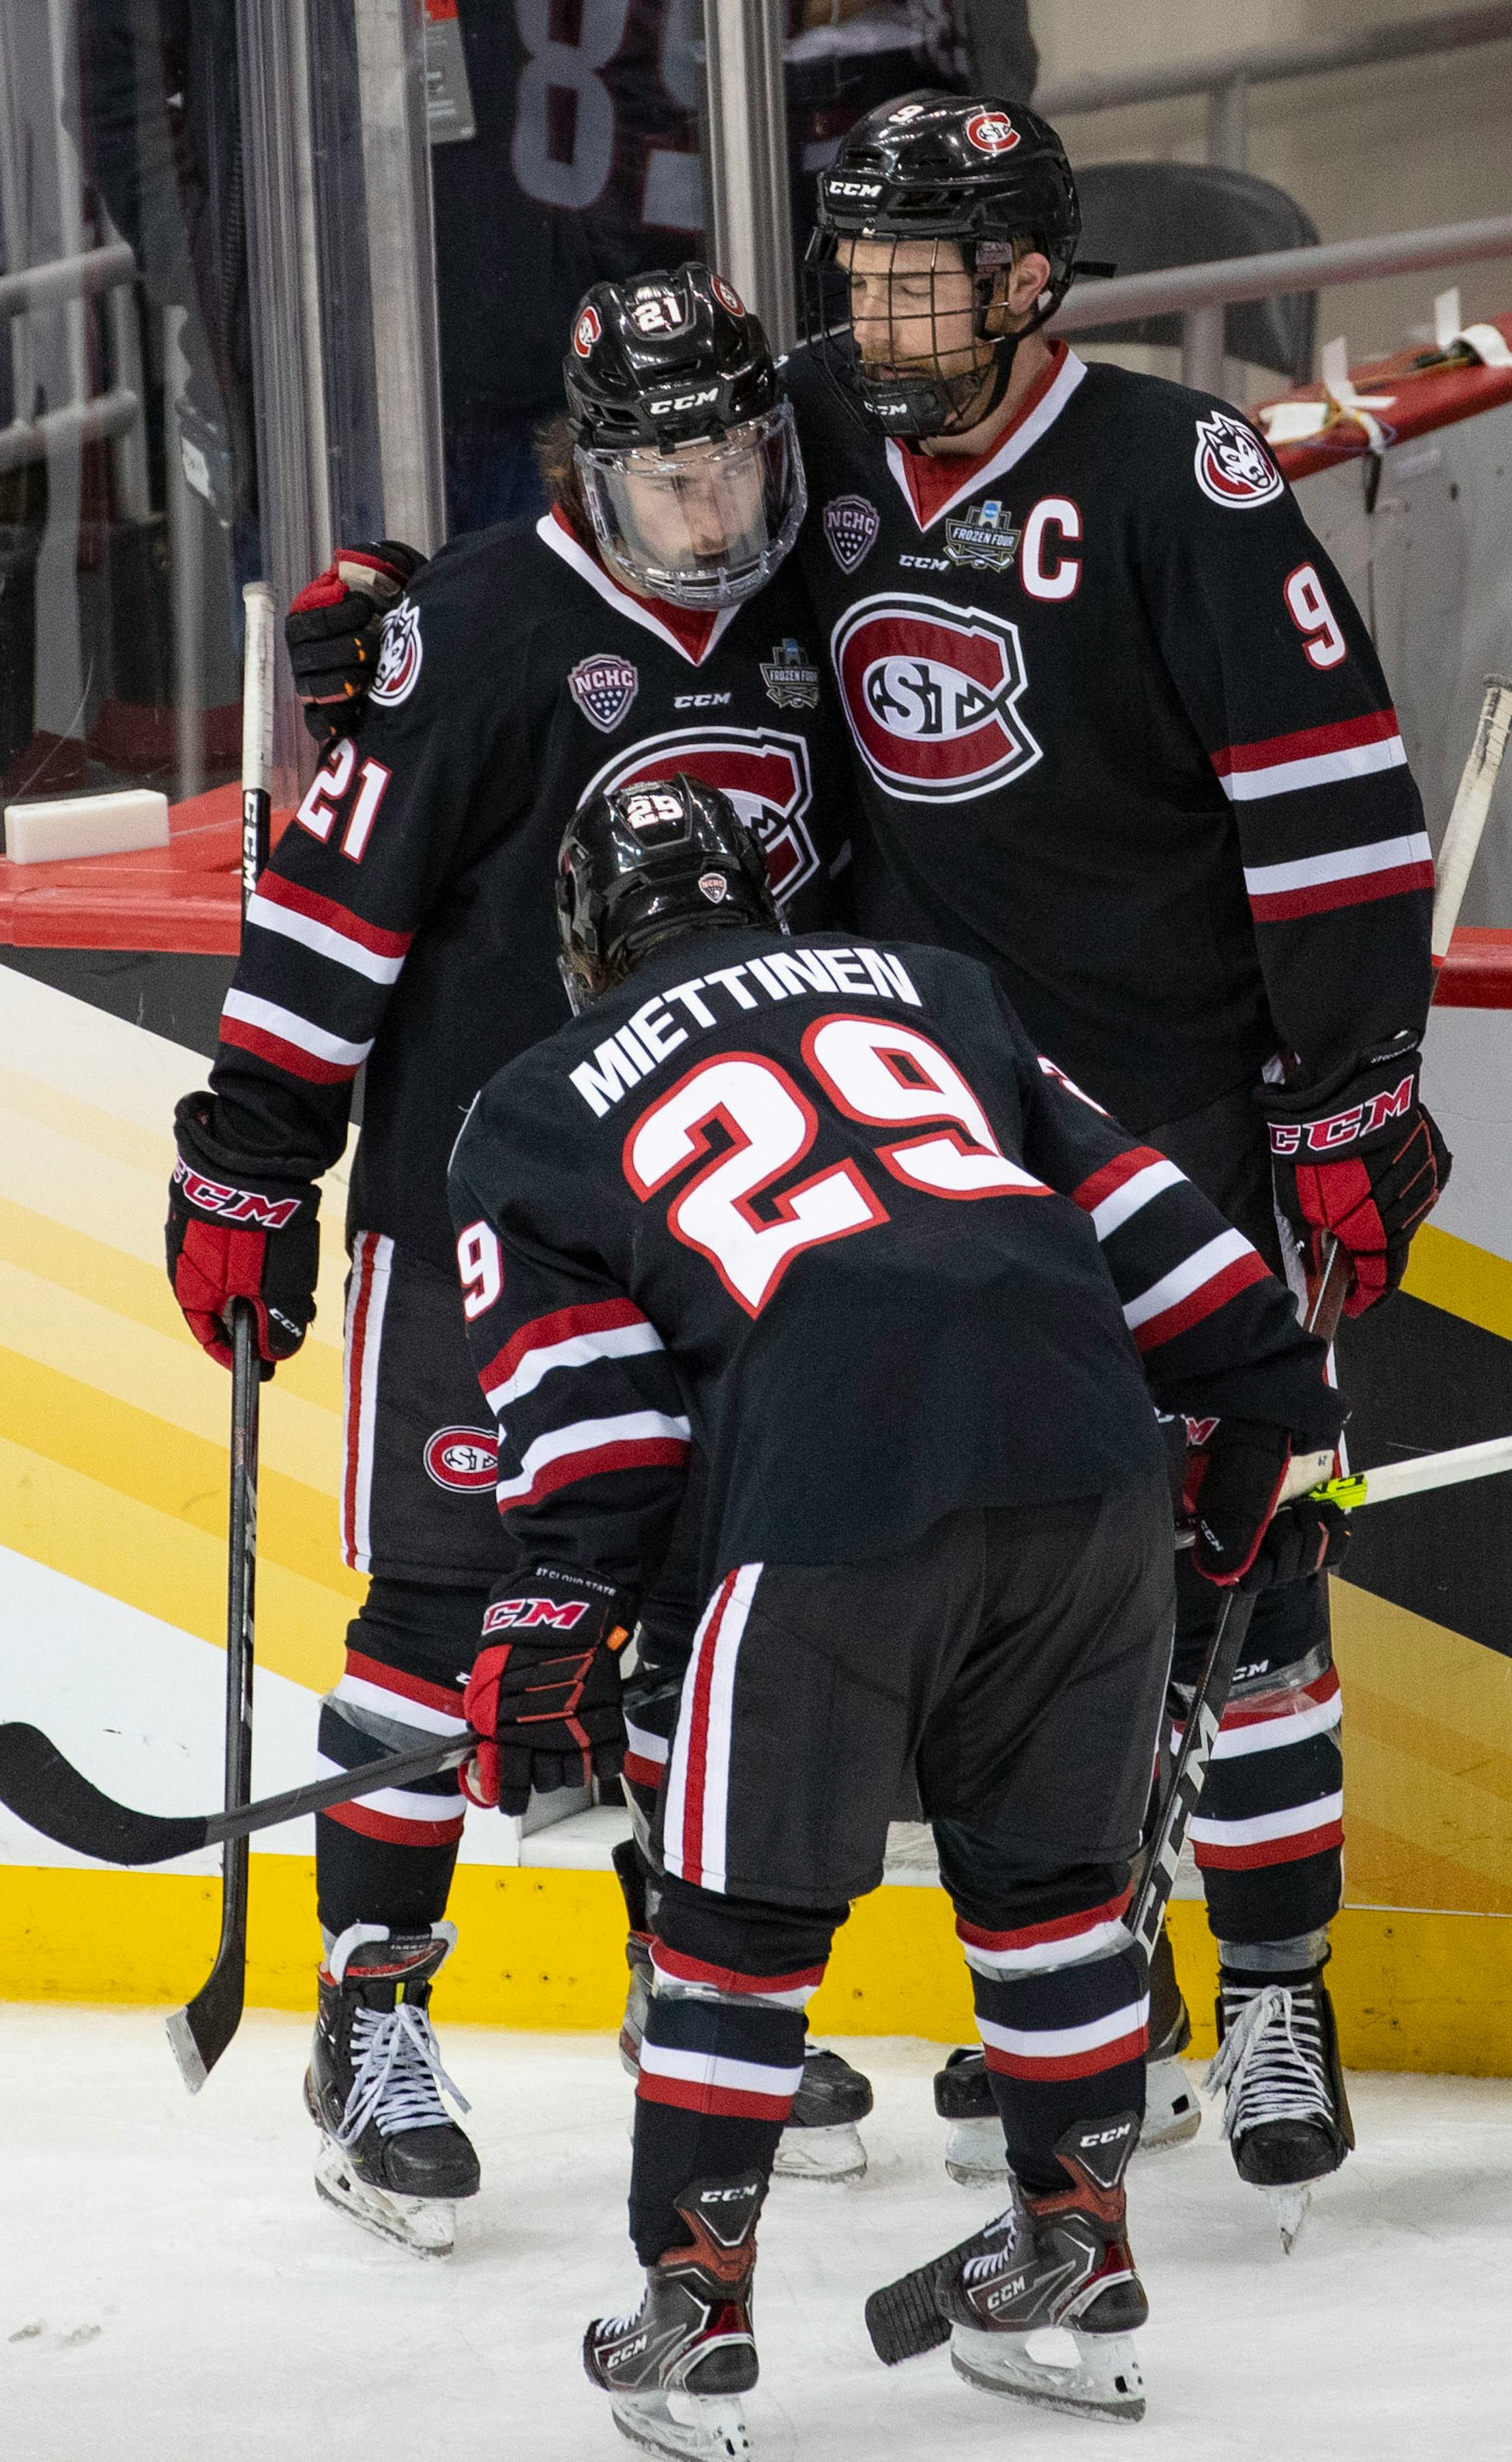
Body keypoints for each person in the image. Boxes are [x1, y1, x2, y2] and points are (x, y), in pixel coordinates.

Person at [446, 776, 1348, 2447]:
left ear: (584, 942)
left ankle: (693, 2308)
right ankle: (1078, 2240)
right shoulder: (935, 988)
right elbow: (1147, 1217)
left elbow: (603, 1417)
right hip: (1090, 1465)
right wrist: (1269, 1402)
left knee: (734, 1920)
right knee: (1056, 1891)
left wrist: (564, 1602)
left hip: (831, 1498)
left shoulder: (527, 1104)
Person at [163, 264, 874, 2257]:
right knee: (443, 1610)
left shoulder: (810, 610)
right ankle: (370, 2016)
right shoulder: (475, 631)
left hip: (727, 1220)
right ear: (592, 471)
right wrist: (248, 1164)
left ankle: (684, 1988)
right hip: (477, 1218)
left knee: (700, 1606)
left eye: (740, 464)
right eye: (673, 479)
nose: (714, 513)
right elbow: (328, 921)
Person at [785, 88, 1451, 2208]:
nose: (872, 303)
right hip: (943, 1136)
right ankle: (1101, 1983)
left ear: (1027, 282)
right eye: (859, 261)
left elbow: (1339, 810)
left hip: (1173, 1120)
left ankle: (1272, 1984)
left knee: (1246, 1571)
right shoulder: (808, 436)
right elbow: (625, 570)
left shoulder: (1180, 476)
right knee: (1030, 1596)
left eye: (918, 267)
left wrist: (1348, 1096)